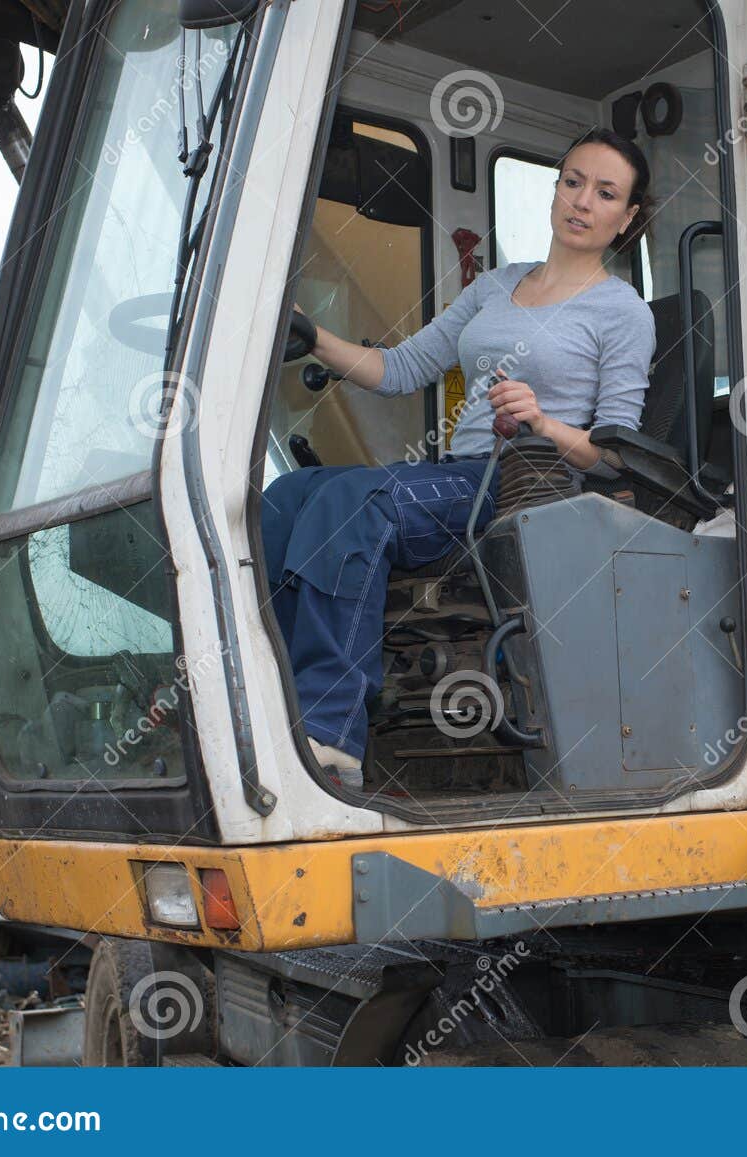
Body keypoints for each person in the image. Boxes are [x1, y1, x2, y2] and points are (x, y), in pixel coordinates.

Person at [261, 127, 658, 788]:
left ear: (627, 217)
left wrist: (541, 421)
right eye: (573, 181)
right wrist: (310, 336)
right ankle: (270, 701)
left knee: (360, 502)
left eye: (605, 192)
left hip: (527, 485)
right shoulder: (494, 287)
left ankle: (328, 737)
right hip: (453, 475)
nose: (583, 201)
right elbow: (399, 368)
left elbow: (616, 457)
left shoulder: (622, 312)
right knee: (288, 498)